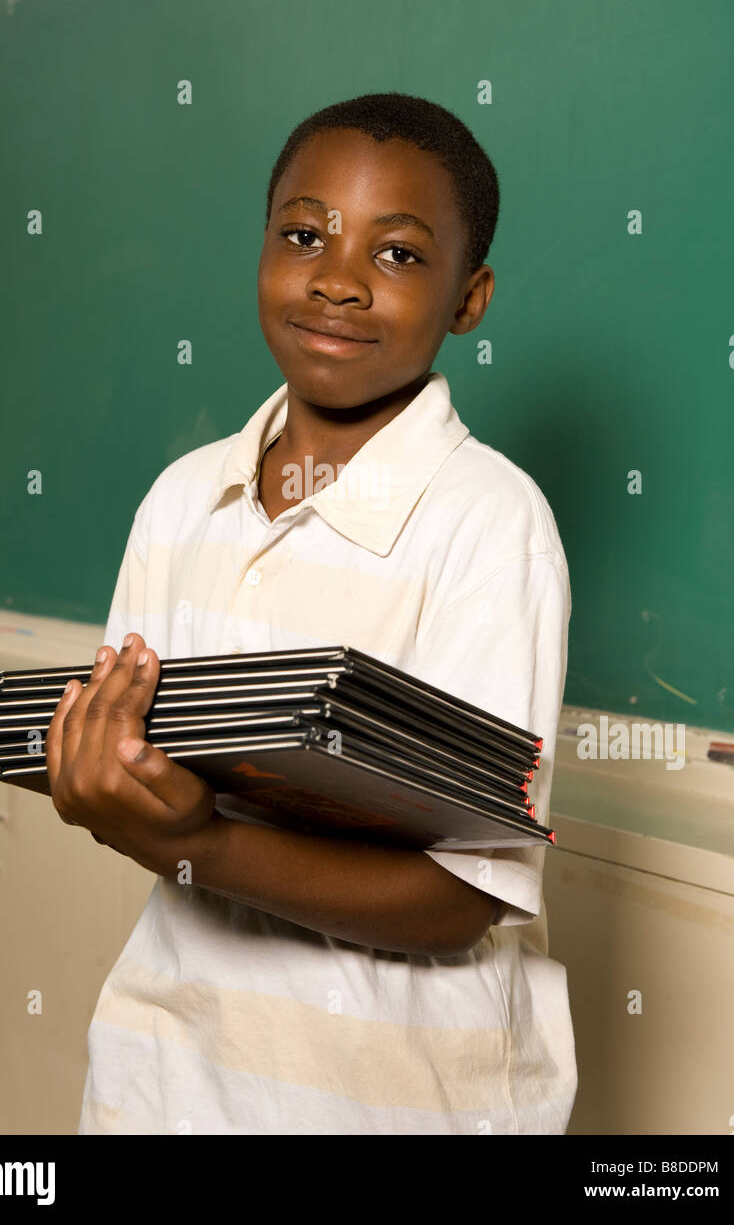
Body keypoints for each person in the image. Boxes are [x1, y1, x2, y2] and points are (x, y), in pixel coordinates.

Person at [45, 91, 578, 1135]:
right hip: (166, 1080)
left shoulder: (490, 524)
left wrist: (196, 840)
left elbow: (463, 896)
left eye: (398, 255)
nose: (335, 279)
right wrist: (107, 787)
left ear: (469, 299)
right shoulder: (183, 498)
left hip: (392, 1098)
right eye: (303, 235)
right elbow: (141, 780)